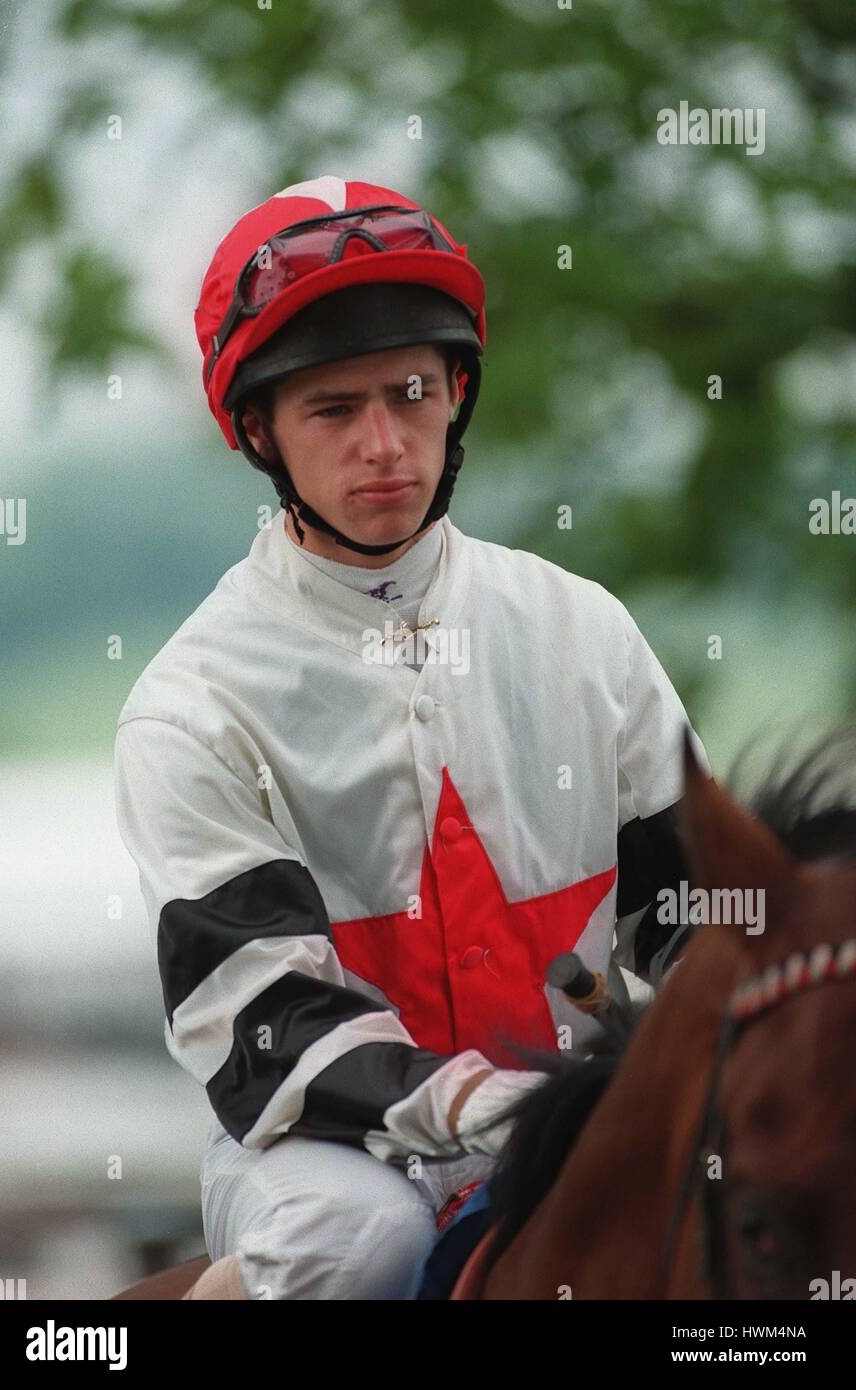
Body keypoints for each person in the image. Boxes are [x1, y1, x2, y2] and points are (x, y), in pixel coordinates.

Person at [114, 175, 711, 1300]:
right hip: (322, 1147)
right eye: (334, 410)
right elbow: (263, 1024)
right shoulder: (190, 703)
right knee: (362, 1241)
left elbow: (694, 912)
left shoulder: (583, 627)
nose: (385, 444)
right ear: (258, 431)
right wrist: (469, 1103)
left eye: (411, 393)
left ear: (458, 395)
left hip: (583, 1105)